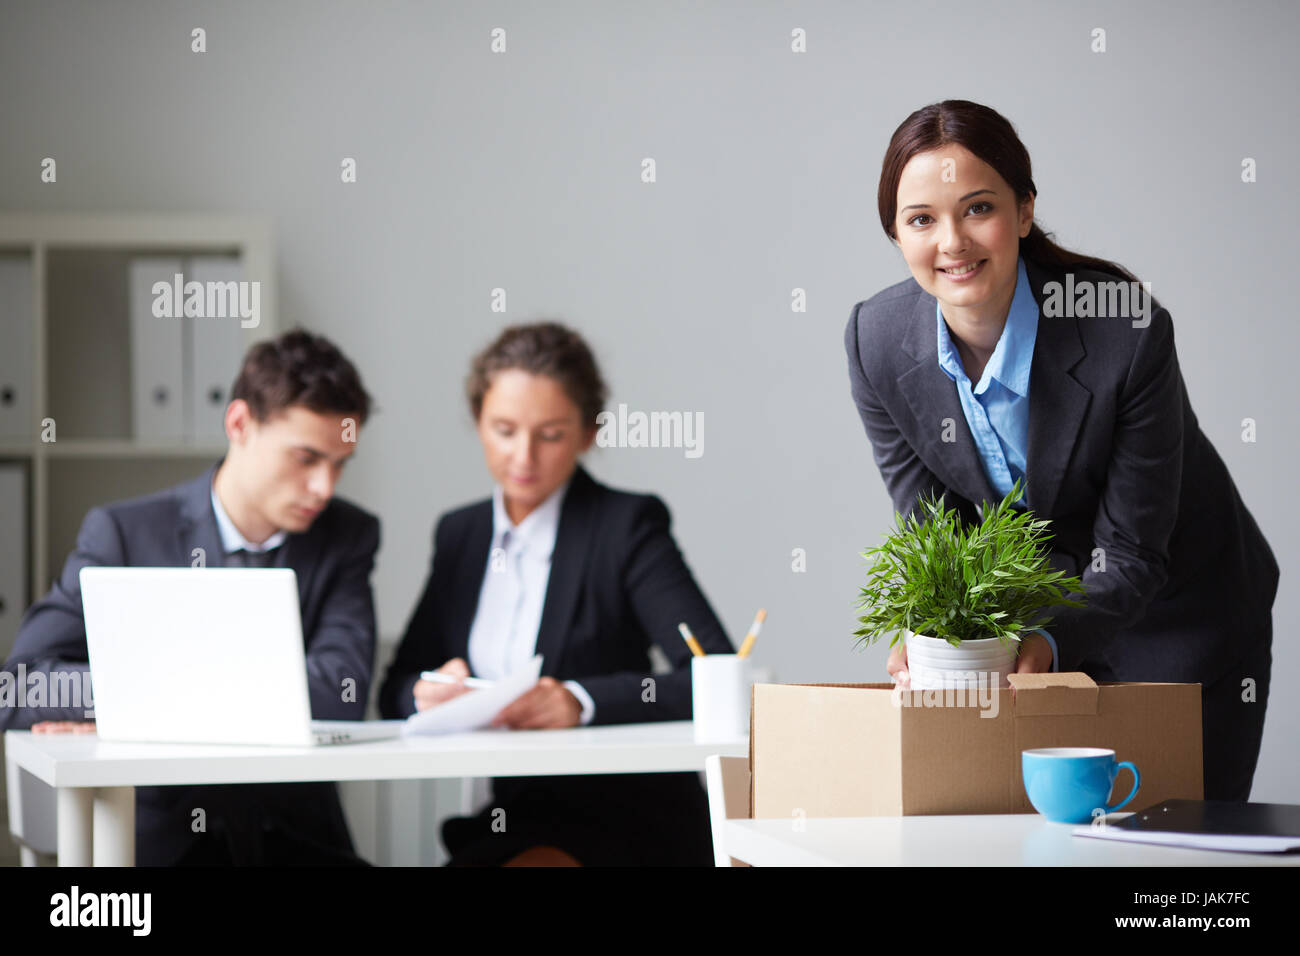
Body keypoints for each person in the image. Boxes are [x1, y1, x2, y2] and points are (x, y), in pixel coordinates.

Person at [844, 99, 1278, 802]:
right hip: (1029, 637)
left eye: (977, 208)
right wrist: (937, 634)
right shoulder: (875, 341)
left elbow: (1133, 553)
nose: (951, 241)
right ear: (896, 234)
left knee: (1177, 847)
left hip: (1181, 611)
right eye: (921, 219)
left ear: (1023, 211)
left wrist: (1043, 639)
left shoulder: (1123, 331)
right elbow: (938, 539)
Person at [0, 328, 380, 864]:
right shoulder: (125, 533)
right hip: (160, 846)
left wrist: (132, 704)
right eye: (306, 458)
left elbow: (341, 693)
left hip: (298, 843)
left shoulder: (347, 536)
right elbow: (19, 687)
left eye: (340, 464)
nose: (325, 487)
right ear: (240, 424)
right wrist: (152, 700)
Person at [379, 321, 731, 866]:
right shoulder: (461, 535)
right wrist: (425, 694)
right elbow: (395, 689)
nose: (523, 456)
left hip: (628, 813)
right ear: (477, 423)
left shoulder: (625, 526)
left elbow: (716, 675)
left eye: (550, 435)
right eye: (503, 429)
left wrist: (581, 701)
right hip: (515, 815)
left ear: (588, 434)